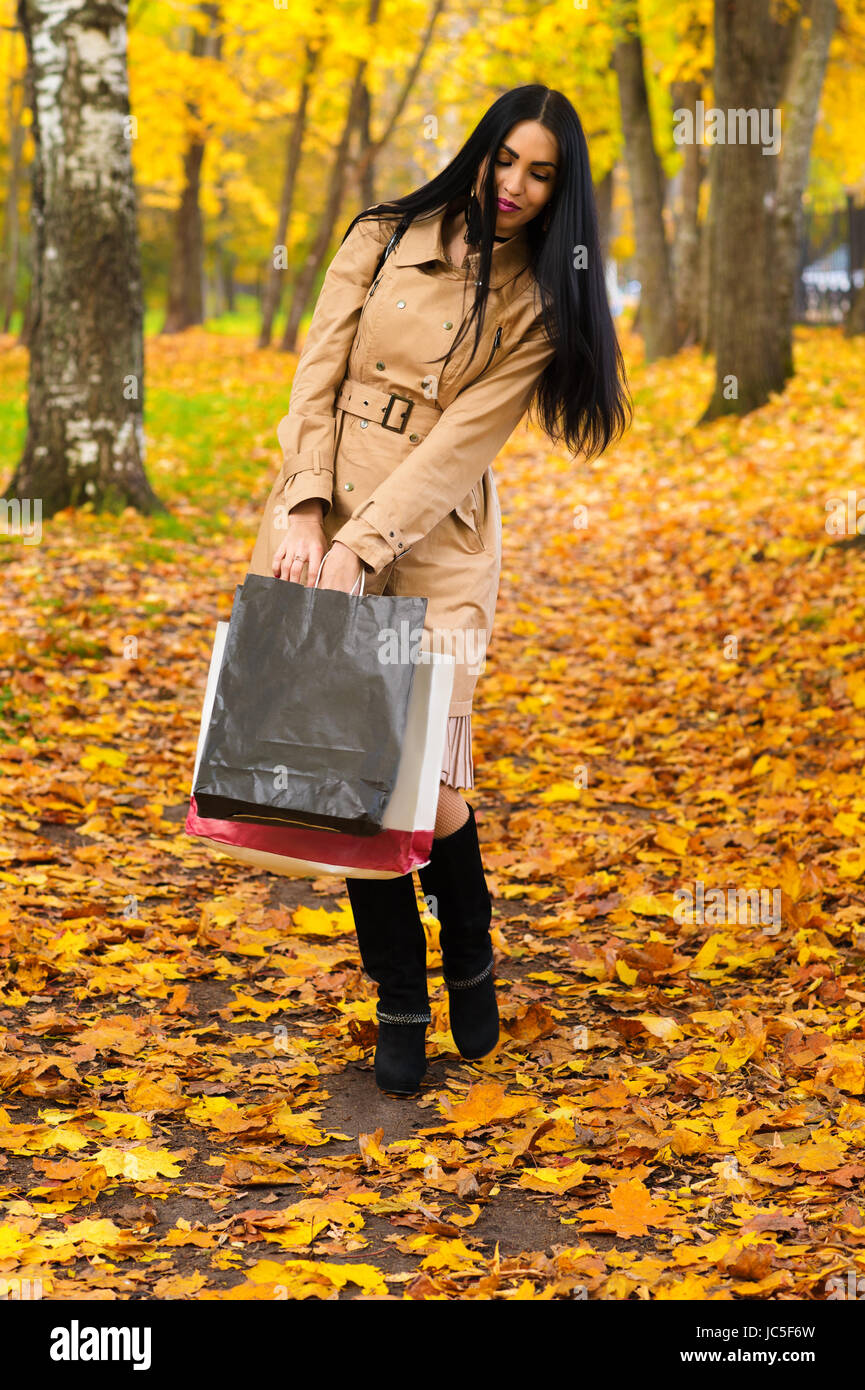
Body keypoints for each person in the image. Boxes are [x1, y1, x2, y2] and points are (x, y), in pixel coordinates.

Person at [249, 84, 631, 1097]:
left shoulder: (542, 302)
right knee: (351, 778)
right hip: (322, 506)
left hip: (439, 540)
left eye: (540, 173)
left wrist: (366, 545)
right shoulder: (380, 236)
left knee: (430, 781)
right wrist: (304, 512)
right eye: (506, 159)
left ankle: (469, 935)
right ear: (480, 151)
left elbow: (462, 445)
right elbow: (314, 378)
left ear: (560, 190)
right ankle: (400, 999)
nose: (514, 185)